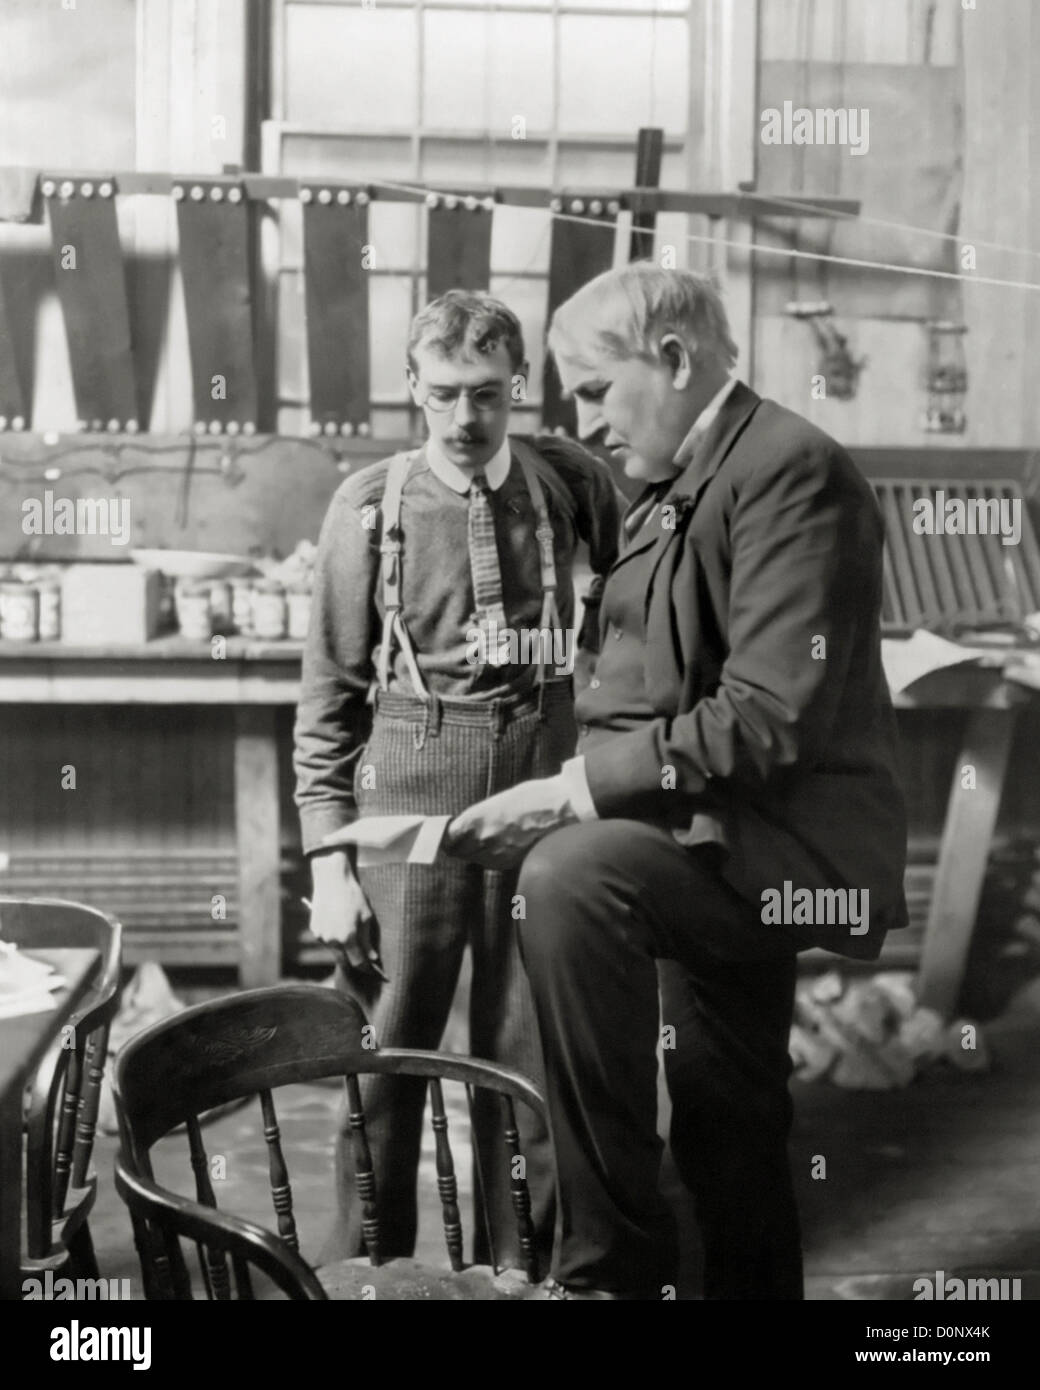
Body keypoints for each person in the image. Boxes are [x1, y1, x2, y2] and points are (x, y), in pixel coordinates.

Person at [446, 263, 909, 1299]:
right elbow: (646, 684)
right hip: (705, 824)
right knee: (726, 1103)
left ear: (673, 358)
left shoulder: (790, 470)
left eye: (594, 389)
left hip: (778, 843)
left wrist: (568, 793)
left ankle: (609, 1267)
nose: (584, 419)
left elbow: (768, 711)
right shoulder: (670, 485)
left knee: (571, 877)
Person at [293, 289, 621, 1272]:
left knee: (524, 1057)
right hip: (408, 776)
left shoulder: (572, 481)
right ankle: (370, 1274)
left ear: (518, 388)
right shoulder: (368, 504)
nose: (466, 418)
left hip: (541, 774)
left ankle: (522, 1271)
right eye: (442, 394)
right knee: (387, 1055)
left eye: (487, 394)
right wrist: (327, 862)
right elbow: (327, 696)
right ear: (411, 388)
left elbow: (635, 604)